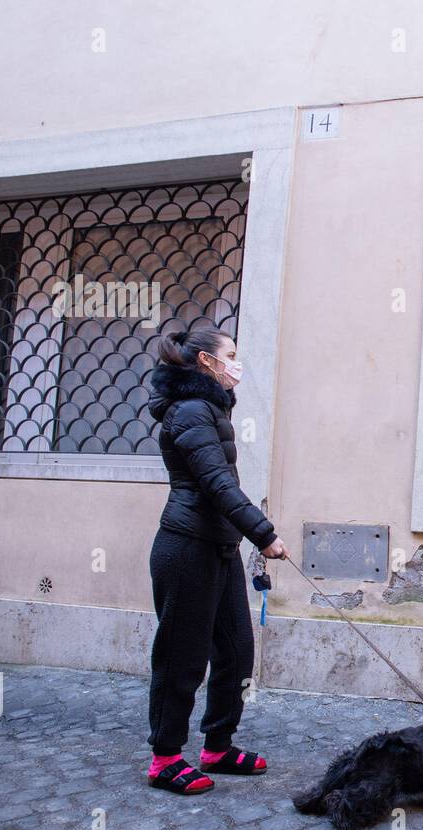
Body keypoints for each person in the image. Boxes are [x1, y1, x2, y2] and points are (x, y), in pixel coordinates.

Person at [143, 328, 288, 795]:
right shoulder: (189, 412)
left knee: (236, 652)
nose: (237, 364)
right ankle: (164, 758)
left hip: (218, 548)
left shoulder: (210, 409)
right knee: (181, 658)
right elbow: (216, 486)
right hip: (187, 548)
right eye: (231, 355)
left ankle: (217, 747)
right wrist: (263, 534)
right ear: (206, 361)